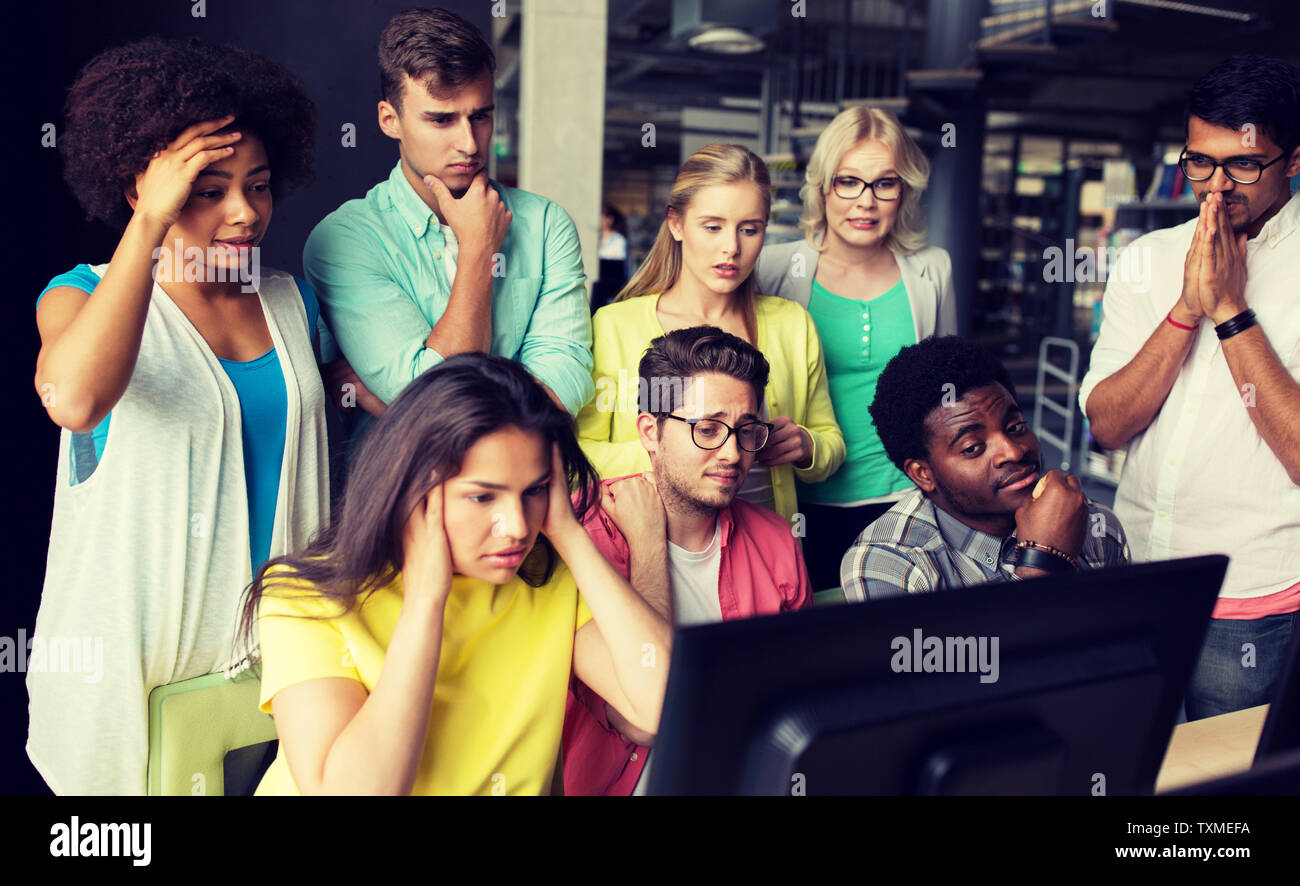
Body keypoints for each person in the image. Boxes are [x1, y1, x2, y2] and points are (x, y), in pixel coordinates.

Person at [29, 37, 329, 795]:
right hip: (133, 686)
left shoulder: (291, 301)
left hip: (277, 677)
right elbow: (74, 399)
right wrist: (151, 228)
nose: (244, 213)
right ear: (141, 188)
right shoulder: (82, 295)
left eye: (258, 186)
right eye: (208, 189)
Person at [242, 353, 671, 795]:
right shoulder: (303, 600)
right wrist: (425, 604)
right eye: (483, 497)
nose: (518, 526)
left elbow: (662, 706)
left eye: (534, 491)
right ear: (412, 487)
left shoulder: (546, 580)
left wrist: (567, 533)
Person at [1080, 55, 1300, 721]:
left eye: (1243, 164)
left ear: (1292, 160)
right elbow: (1107, 427)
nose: (1215, 185)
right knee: (1120, 770)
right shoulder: (1147, 258)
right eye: (1200, 161)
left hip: (1254, 597)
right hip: (1138, 573)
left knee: (1227, 792)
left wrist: (1231, 310)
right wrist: (1186, 306)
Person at [305, 7, 593, 454]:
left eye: (480, 116)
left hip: (522, 510)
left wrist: (395, 403)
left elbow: (566, 381)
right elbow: (424, 400)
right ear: (389, 120)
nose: (470, 144)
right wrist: (479, 246)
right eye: (441, 119)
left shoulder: (546, 224)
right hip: (397, 511)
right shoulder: (344, 240)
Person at [562, 326, 813, 796]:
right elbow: (646, 718)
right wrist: (650, 545)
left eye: (746, 431)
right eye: (708, 429)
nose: (733, 453)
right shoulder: (580, 534)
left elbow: (800, 701)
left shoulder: (777, 542)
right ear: (650, 432)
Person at [577, 143, 845, 529]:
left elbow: (831, 442)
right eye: (713, 227)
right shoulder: (616, 326)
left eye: (749, 229)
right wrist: (677, 453)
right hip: (648, 549)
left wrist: (807, 447)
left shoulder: (793, 325)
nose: (731, 248)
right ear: (676, 224)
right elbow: (580, 454)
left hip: (765, 555)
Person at [756, 107, 958, 591]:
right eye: (848, 181)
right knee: (813, 644)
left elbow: (953, 385)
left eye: (884, 184)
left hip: (907, 499)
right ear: (823, 188)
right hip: (802, 500)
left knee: (894, 643)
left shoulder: (932, 270)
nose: (865, 201)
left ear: (903, 191)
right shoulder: (774, 268)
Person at [841, 336, 1129, 602]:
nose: (1014, 451)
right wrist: (1042, 562)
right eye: (973, 448)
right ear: (922, 473)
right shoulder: (887, 563)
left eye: (1015, 427)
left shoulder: (1093, 523)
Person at [591, 203, 631, 313]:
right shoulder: (595, 239)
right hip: (598, 285)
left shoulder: (618, 240)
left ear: (609, 219)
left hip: (611, 285)